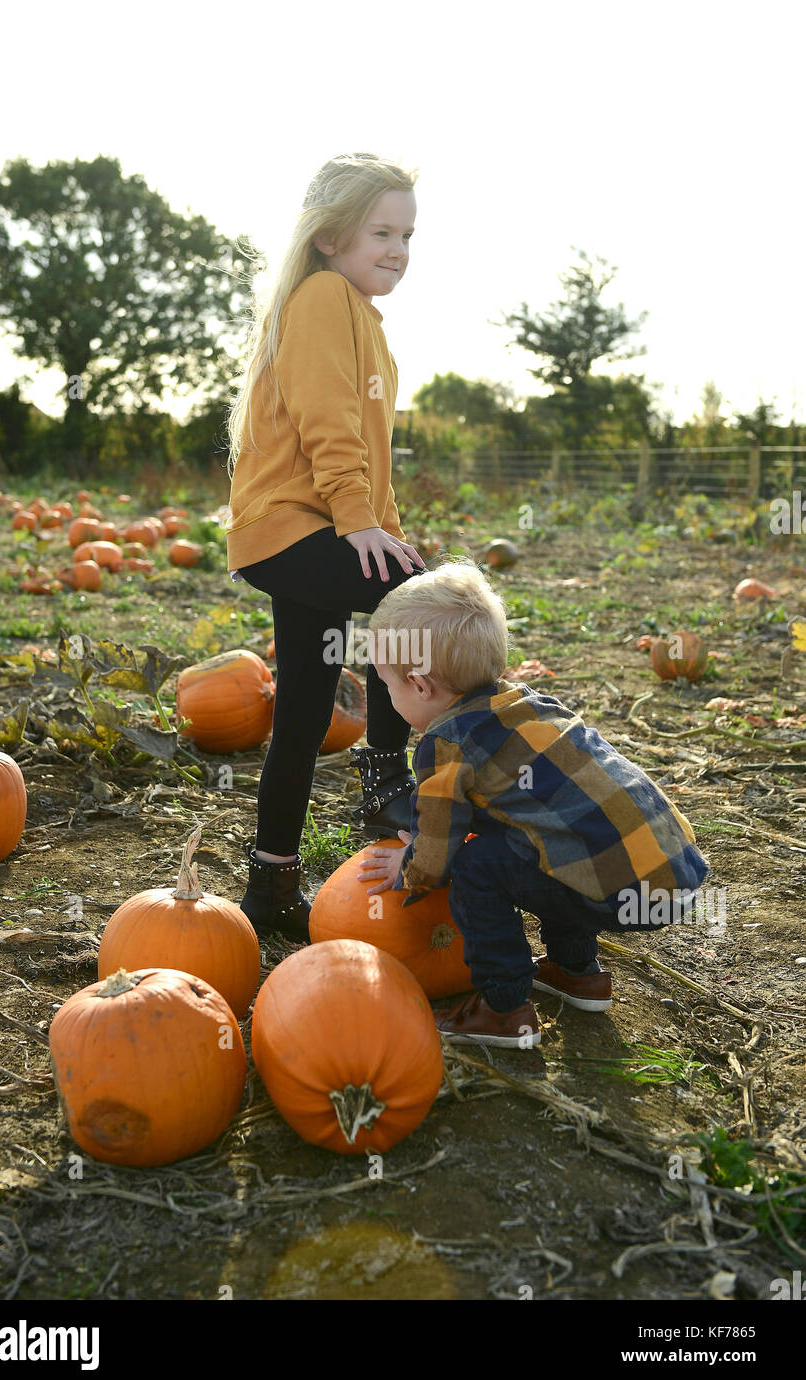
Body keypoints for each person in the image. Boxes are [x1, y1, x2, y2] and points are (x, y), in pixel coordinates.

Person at [356, 557, 711, 1049]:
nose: (391, 699)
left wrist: (410, 865)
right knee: (544, 836)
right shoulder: (526, 703)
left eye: (389, 686)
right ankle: (576, 971)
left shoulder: (445, 744)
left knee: (478, 865)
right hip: (674, 868)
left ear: (419, 684)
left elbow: (437, 846)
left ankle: (504, 1009)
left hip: (616, 885)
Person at [223, 152, 426, 941]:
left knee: (304, 713)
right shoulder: (321, 299)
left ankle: (270, 883)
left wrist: (385, 532)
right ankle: (383, 772)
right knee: (422, 599)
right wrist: (358, 521)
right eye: (382, 231)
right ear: (333, 235)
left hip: (318, 530)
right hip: (289, 526)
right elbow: (327, 423)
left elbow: (373, 456)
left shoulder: (365, 322)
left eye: (408, 234)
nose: (398, 249)